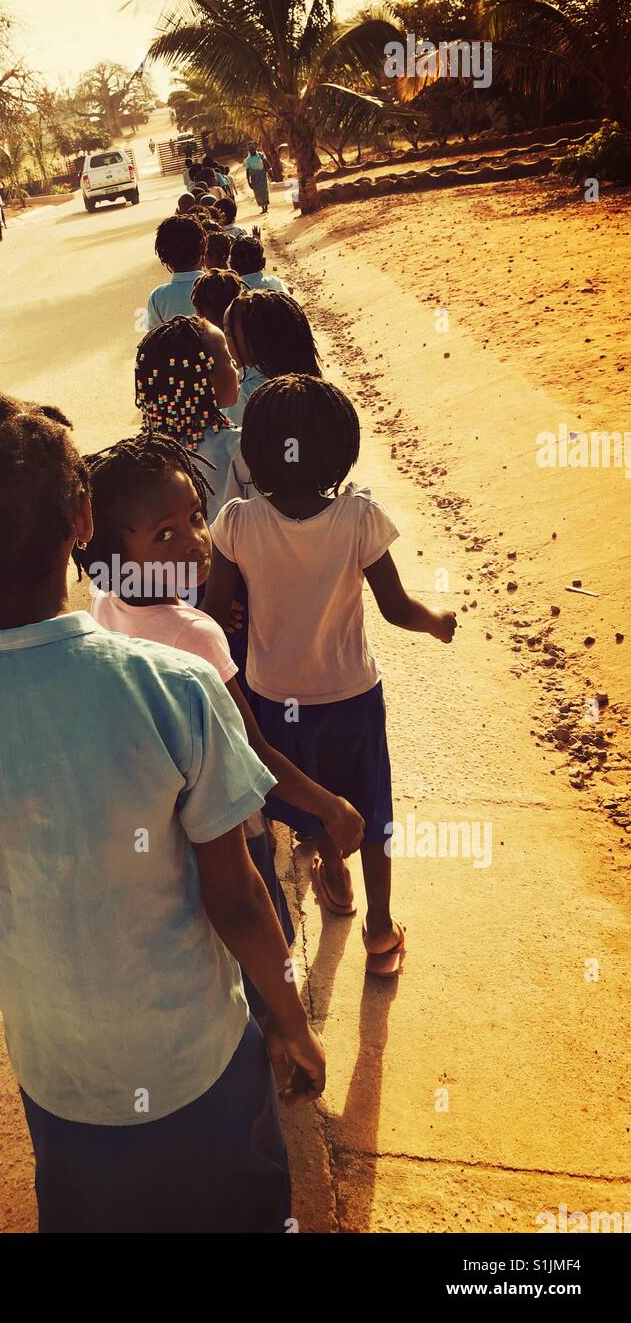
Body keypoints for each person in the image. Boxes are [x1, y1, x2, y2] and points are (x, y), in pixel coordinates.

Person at [0, 373, 325, 1234]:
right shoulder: (174, 687)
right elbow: (236, 897)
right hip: (206, 1064)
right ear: (81, 522)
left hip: (63, 1090)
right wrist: (290, 1024)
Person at [77, 432, 364, 1015]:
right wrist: (330, 807)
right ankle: (284, 1040)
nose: (195, 541)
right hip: (226, 826)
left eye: (195, 517)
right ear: (111, 554)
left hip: (157, 827)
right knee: (263, 938)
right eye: (165, 534)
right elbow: (253, 754)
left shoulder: (104, 607)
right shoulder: (196, 635)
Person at [201, 375, 458, 976]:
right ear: (343, 449)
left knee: (311, 792)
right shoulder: (359, 518)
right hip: (350, 695)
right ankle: (378, 928)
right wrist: (438, 620)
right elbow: (397, 608)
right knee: (371, 802)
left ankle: (334, 878)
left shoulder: (237, 523)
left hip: (273, 696)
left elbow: (215, 614)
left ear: (256, 452)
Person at [134, 314, 251, 526]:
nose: (235, 366)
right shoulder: (241, 447)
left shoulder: (145, 454)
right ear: (205, 378)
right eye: (227, 358)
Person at [223, 289, 320, 421]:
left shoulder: (243, 396)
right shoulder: (315, 389)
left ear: (256, 339)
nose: (224, 339)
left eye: (228, 332)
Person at [146, 216, 207, 330]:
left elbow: (153, 338)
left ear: (164, 257)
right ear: (203, 251)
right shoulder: (221, 284)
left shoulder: (158, 297)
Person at [244, 143, 271, 213]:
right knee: (257, 192)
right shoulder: (248, 159)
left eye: (253, 149)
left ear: (255, 149)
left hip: (262, 175)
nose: (251, 151)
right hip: (254, 178)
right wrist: (249, 182)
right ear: (249, 151)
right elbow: (247, 171)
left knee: (264, 190)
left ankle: (266, 207)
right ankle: (262, 208)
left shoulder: (260, 155)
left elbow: (266, 162)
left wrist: (270, 170)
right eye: (250, 150)